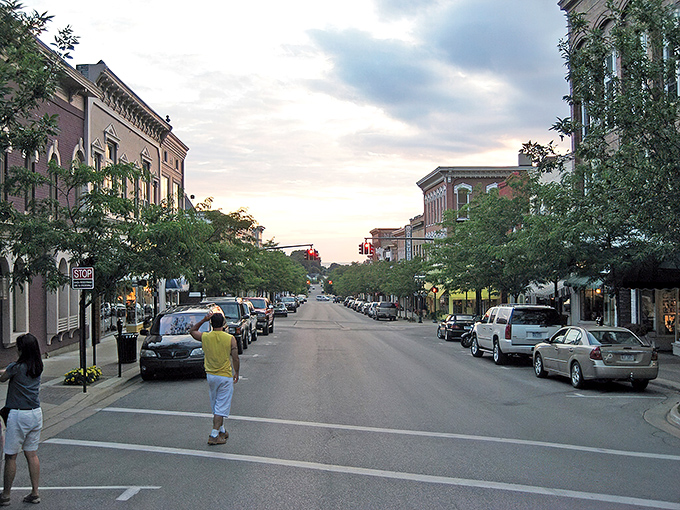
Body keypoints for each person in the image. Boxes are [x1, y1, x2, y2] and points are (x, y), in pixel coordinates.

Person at [0, 333, 44, 505]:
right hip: (35, 413)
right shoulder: (38, 367)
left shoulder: (16, 368)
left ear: (21, 349)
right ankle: (35, 492)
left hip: (18, 415)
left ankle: (6, 495)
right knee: (31, 454)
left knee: (10, 456)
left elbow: (3, 378)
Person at [190, 311, 239, 445]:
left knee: (217, 404)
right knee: (221, 406)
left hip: (211, 375)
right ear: (224, 323)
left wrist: (203, 320)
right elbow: (235, 357)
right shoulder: (230, 338)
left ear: (211, 324)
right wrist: (237, 372)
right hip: (224, 376)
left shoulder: (205, 337)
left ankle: (222, 430)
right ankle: (214, 434)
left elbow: (192, 331)